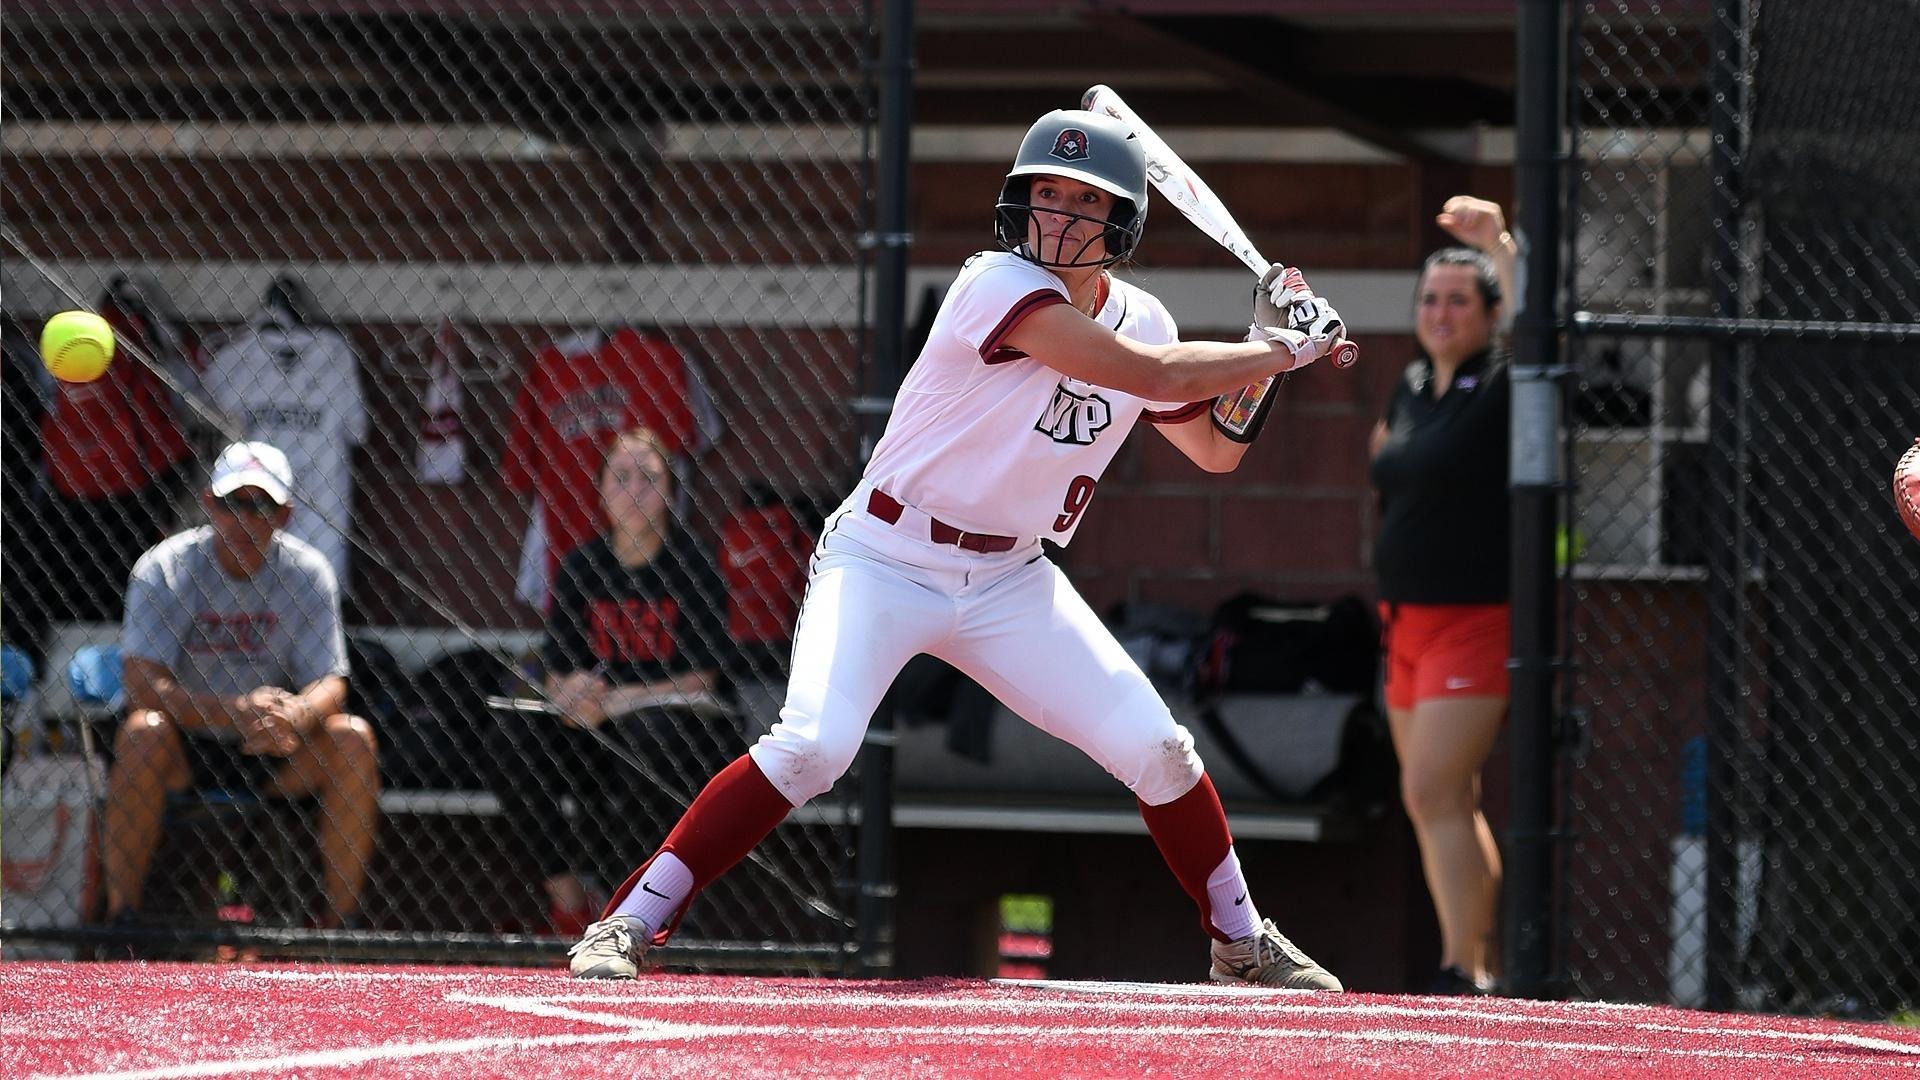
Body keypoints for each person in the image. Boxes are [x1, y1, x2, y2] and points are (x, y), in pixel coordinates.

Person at [568, 108, 1353, 987]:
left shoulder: (1147, 319)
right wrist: (1281, 350)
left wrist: (1262, 349)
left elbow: (1214, 447)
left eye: (1080, 203)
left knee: (1159, 748)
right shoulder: (994, 284)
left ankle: (1242, 943)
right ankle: (631, 921)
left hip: (1010, 576)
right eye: (1042, 196)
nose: (1054, 217)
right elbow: (1151, 378)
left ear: (1121, 222)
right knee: (813, 746)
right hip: (884, 556)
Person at [102, 440, 380, 930]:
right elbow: (141, 685)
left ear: (285, 514)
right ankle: (120, 917)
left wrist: (295, 714)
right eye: (232, 504)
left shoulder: (310, 572)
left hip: (273, 747)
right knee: (142, 731)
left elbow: (331, 682)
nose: (245, 520)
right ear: (209, 504)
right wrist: (232, 711)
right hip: (185, 748)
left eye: (261, 505)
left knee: (353, 737)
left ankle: (342, 931)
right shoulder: (163, 568)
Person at [491, 426, 735, 936]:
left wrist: (616, 700)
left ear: (670, 491)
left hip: (677, 732)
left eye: (649, 478)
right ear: (601, 490)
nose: (635, 490)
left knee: (650, 735)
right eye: (621, 477)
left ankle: (640, 909)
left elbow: (701, 680)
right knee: (510, 739)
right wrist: (572, 694)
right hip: (595, 728)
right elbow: (559, 670)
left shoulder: (694, 566)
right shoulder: (582, 566)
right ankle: (569, 900)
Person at [1367, 195, 1520, 995]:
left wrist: (1497, 244)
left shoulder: (1503, 385)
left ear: (1490, 312)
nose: (1441, 312)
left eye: (1461, 299)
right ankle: (1477, 963)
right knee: (1440, 799)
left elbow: (1539, 332)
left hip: (1474, 619)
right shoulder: (1413, 385)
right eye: (1431, 300)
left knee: (1428, 788)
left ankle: (1464, 970)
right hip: (1405, 624)